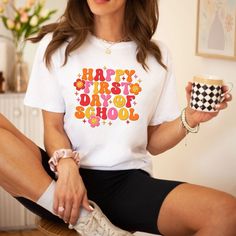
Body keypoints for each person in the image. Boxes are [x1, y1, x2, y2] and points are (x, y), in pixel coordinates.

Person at [0, 0, 235, 235]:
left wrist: (191, 117)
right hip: (60, 178)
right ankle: (87, 220)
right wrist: (67, 167)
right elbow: (53, 127)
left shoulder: (156, 55)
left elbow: (153, 142)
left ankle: (90, 219)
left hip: (127, 185)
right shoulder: (57, 46)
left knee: (226, 212)